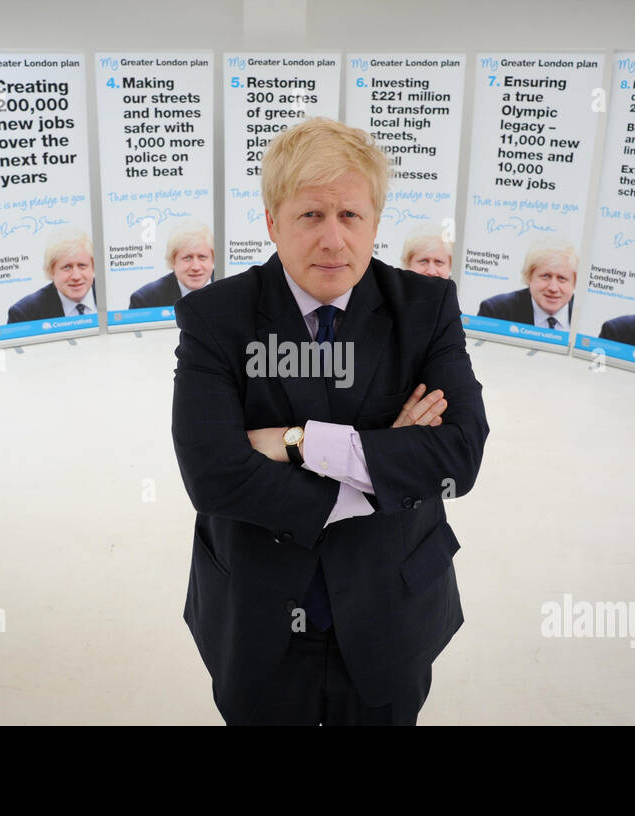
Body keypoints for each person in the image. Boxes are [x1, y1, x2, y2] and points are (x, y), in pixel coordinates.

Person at [171, 117, 488, 725]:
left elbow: (459, 456)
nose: (333, 241)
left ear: (374, 221)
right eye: (310, 215)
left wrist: (298, 442)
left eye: (350, 216)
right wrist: (383, 466)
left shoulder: (426, 308)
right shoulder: (215, 318)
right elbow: (213, 477)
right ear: (271, 222)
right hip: (259, 619)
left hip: (390, 614)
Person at [477, 237, 577, 329]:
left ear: (574, 283)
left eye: (562, 278)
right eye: (545, 276)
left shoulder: (588, 318)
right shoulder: (496, 312)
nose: (553, 288)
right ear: (529, 277)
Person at [7, 228, 98, 323]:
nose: (76, 276)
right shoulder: (24, 315)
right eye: (67, 267)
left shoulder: (112, 295)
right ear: (51, 271)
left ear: (93, 267)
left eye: (82, 265)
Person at [129, 222, 215, 308]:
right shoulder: (145, 300)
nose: (196, 267)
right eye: (187, 258)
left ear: (213, 259)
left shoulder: (227, 290)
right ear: (173, 261)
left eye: (202, 257)